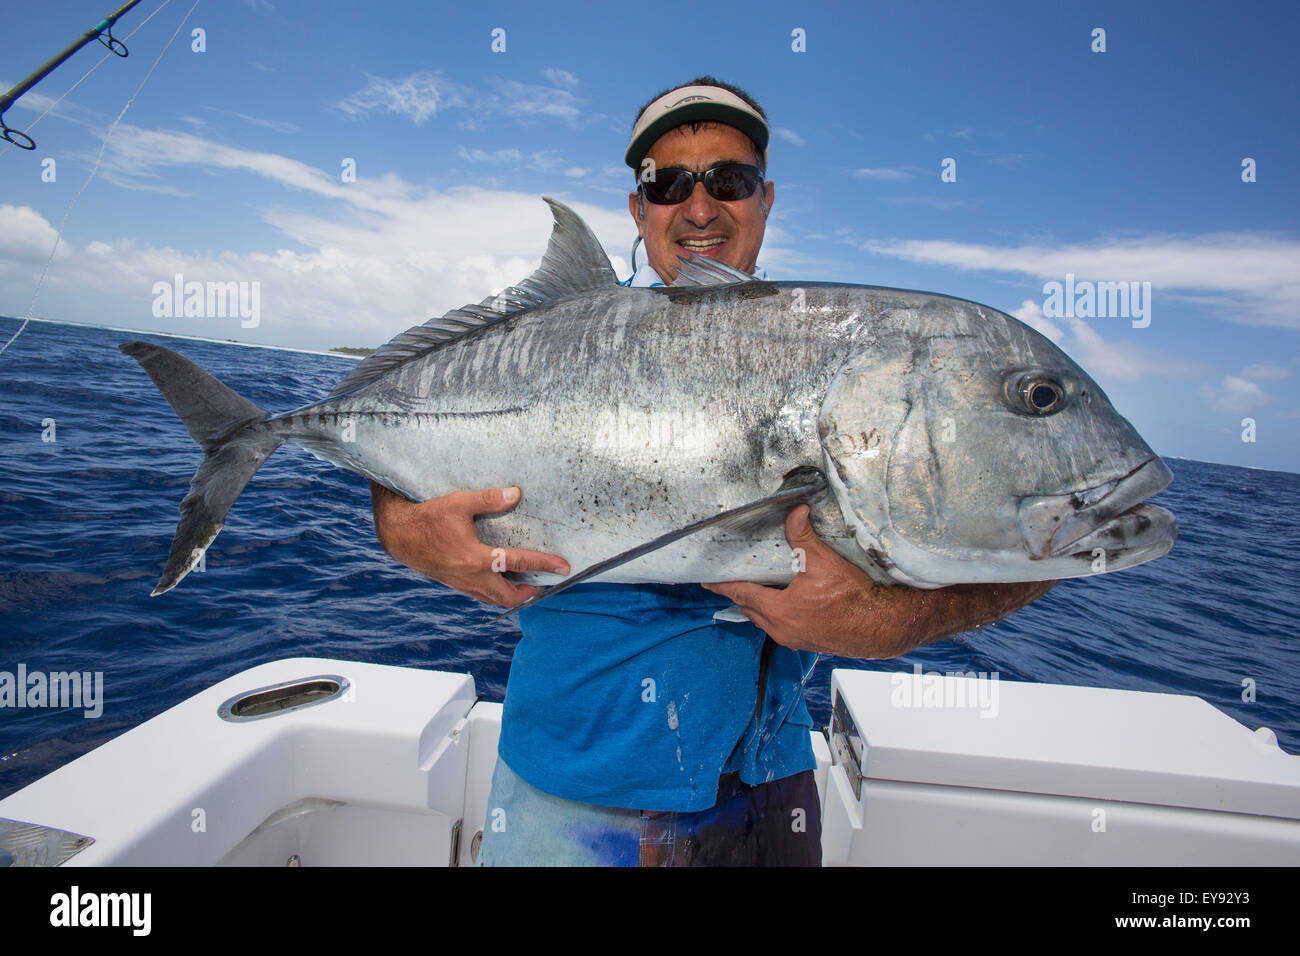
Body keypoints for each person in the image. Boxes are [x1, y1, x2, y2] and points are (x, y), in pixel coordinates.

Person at [369, 78, 1055, 865]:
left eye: (728, 180)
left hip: (775, 790)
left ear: (766, 199)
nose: (699, 208)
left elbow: (1038, 537)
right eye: (668, 184)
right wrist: (398, 524)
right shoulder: (542, 347)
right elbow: (423, 439)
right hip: (581, 795)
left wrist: (891, 620)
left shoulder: (824, 351)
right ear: (638, 209)